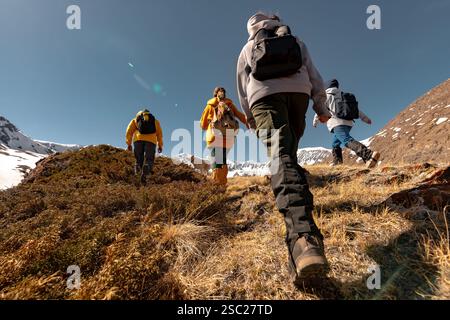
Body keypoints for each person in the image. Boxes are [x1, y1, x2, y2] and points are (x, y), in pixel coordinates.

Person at [236, 13, 332, 284]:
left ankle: (303, 239)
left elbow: (243, 89)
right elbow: (314, 75)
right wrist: (321, 107)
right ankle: (303, 223)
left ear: (251, 28)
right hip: (299, 95)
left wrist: (252, 118)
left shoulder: (247, 48)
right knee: (288, 156)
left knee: (280, 158)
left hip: (263, 98)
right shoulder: (295, 40)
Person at [313, 79, 380, 167]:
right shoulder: (342, 95)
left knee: (346, 140)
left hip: (336, 123)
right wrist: (365, 118)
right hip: (348, 123)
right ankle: (337, 163)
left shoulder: (326, 96)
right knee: (335, 143)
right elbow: (356, 110)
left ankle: (368, 155)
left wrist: (315, 121)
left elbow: (320, 108)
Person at [200, 87, 247, 186]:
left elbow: (203, 125)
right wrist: (250, 122)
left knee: (216, 162)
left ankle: (217, 188)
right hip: (229, 137)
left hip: (215, 137)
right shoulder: (230, 105)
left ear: (215, 94)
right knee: (222, 161)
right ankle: (222, 186)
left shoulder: (210, 105)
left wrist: (209, 122)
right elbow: (241, 116)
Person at [126, 109, 163, 185]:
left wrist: (129, 143)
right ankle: (146, 170)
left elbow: (129, 131)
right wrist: (160, 145)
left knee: (138, 159)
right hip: (151, 141)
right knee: (149, 159)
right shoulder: (155, 121)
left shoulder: (136, 119)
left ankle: (137, 177)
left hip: (138, 140)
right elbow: (159, 134)